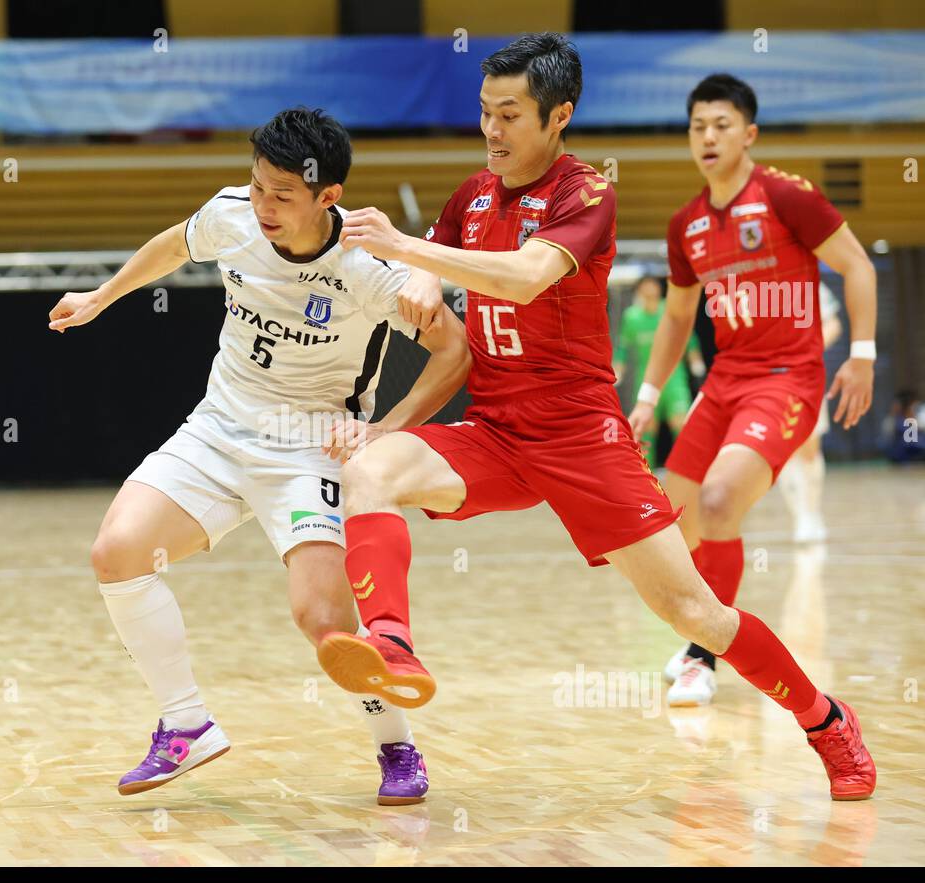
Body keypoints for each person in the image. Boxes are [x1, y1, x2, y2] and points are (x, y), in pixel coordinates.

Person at [313, 36, 875, 801]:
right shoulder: (472, 195)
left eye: (510, 114)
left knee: (695, 612)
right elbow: (437, 253)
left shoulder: (587, 194)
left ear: (558, 116)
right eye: (484, 113)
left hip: (584, 439)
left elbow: (523, 278)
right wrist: (414, 271)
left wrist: (411, 249)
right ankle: (393, 643)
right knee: (369, 467)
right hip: (497, 432)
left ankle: (825, 719)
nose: (492, 130)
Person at [47, 107, 470, 804]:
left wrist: (382, 432)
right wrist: (102, 297)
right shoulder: (234, 214)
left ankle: (397, 746)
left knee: (324, 620)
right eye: (257, 185)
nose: (263, 205)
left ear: (327, 197)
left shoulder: (370, 271)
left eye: (282, 194)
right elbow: (175, 244)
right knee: (116, 553)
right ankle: (186, 726)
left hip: (308, 447)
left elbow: (453, 352)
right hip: (219, 428)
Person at [629, 74, 878, 706]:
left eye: (721, 125)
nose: (708, 137)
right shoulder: (686, 224)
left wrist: (863, 357)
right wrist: (649, 398)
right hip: (724, 382)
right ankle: (700, 627)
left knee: (716, 504)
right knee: (668, 521)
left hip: (787, 380)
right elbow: (679, 319)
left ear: (749, 134)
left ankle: (701, 656)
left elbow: (858, 265)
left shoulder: (786, 197)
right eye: (697, 127)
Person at [613, 274, 706, 468]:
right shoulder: (632, 316)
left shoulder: (668, 310)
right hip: (645, 378)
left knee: (681, 425)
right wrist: (617, 370)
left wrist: (696, 361)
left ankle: (687, 469)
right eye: (645, 286)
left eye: (652, 285)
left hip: (674, 379)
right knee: (645, 429)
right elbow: (623, 346)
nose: (649, 290)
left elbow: (688, 337)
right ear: (638, 291)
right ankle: (647, 474)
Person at [776, 282, 843, 543]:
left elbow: (833, 324)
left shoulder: (808, 282)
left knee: (809, 447)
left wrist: (806, 351)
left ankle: (812, 512)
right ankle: (799, 516)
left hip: (806, 376)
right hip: (766, 379)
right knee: (782, 450)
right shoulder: (751, 286)